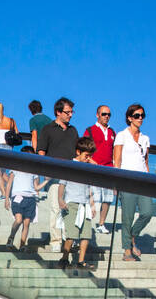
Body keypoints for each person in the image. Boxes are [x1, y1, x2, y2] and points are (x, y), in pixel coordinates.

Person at [113, 104, 155, 261]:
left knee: (147, 212)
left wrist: (150, 180)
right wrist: (116, 183)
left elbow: (146, 161)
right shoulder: (121, 135)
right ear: (130, 118)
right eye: (137, 115)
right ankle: (127, 251)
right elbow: (117, 160)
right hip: (126, 180)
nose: (140, 118)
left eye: (142, 115)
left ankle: (131, 236)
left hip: (143, 181)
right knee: (127, 217)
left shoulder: (145, 139)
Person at [37, 97, 78, 247]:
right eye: (67, 112)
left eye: (72, 112)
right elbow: (41, 151)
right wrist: (45, 171)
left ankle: (69, 240)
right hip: (53, 176)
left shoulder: (73, 131)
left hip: (71, 177)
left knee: (70, 209)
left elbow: (77, 153)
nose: (70, 115)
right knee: (55, 208)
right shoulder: (47, 129)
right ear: (58, 112)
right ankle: (55, 241)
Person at [60, 137, 101, 271]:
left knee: (86, 234)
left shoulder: (87, 167)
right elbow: (62, 184)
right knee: (72, 233)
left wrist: (92, 204)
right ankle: (64, 258)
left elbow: (89, 187)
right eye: (86, 155)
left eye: (91, 156)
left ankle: (81, 260)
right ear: (78, 152)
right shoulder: (70, 165)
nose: (88, 158)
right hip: (72, 203)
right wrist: (61, 199)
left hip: (85, 204)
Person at [5, 146, 47, 252]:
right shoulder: (16, 168)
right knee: (18, 220)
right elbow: (9, 184)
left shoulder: (34, 171)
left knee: (27, 223)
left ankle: (22, 244)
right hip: (17, 197)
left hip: (30, 199)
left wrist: (46, 181)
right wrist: (6, 199)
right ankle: (11, 238)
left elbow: (36, 187)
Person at [84, 105, 116, 232]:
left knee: (107, 199)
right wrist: (93, 162)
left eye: (109, 114)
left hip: (109, 169)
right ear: (97, 115)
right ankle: (86, 225)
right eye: (104, 114)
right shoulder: (90, 130)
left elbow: (115, 152)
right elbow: (84, 149)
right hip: (94, 169)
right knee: (94, 198)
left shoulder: (112, 132)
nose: (106, 116)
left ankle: (101, 224)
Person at [0, 101, 18, 208]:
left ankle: (3, 193)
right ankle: (14, 186)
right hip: (9, 148)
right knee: (4, 172)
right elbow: (17, 133)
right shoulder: (11, 121)